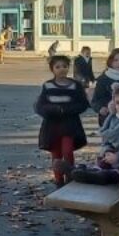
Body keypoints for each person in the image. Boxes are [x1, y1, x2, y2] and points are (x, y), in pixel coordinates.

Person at [33, 53, 91, 186]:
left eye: (65, 66)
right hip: (52, 124)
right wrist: (50, 110)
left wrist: (67, 110)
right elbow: (40, 105)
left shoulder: (75, 85)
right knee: (56, 152)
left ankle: (70, 177)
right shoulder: (48, 86)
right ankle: (58, 180)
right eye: (58, 67)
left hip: (70, 124)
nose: (62, 69)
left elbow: (83, 103)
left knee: (67, 150)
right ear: (52, 69)